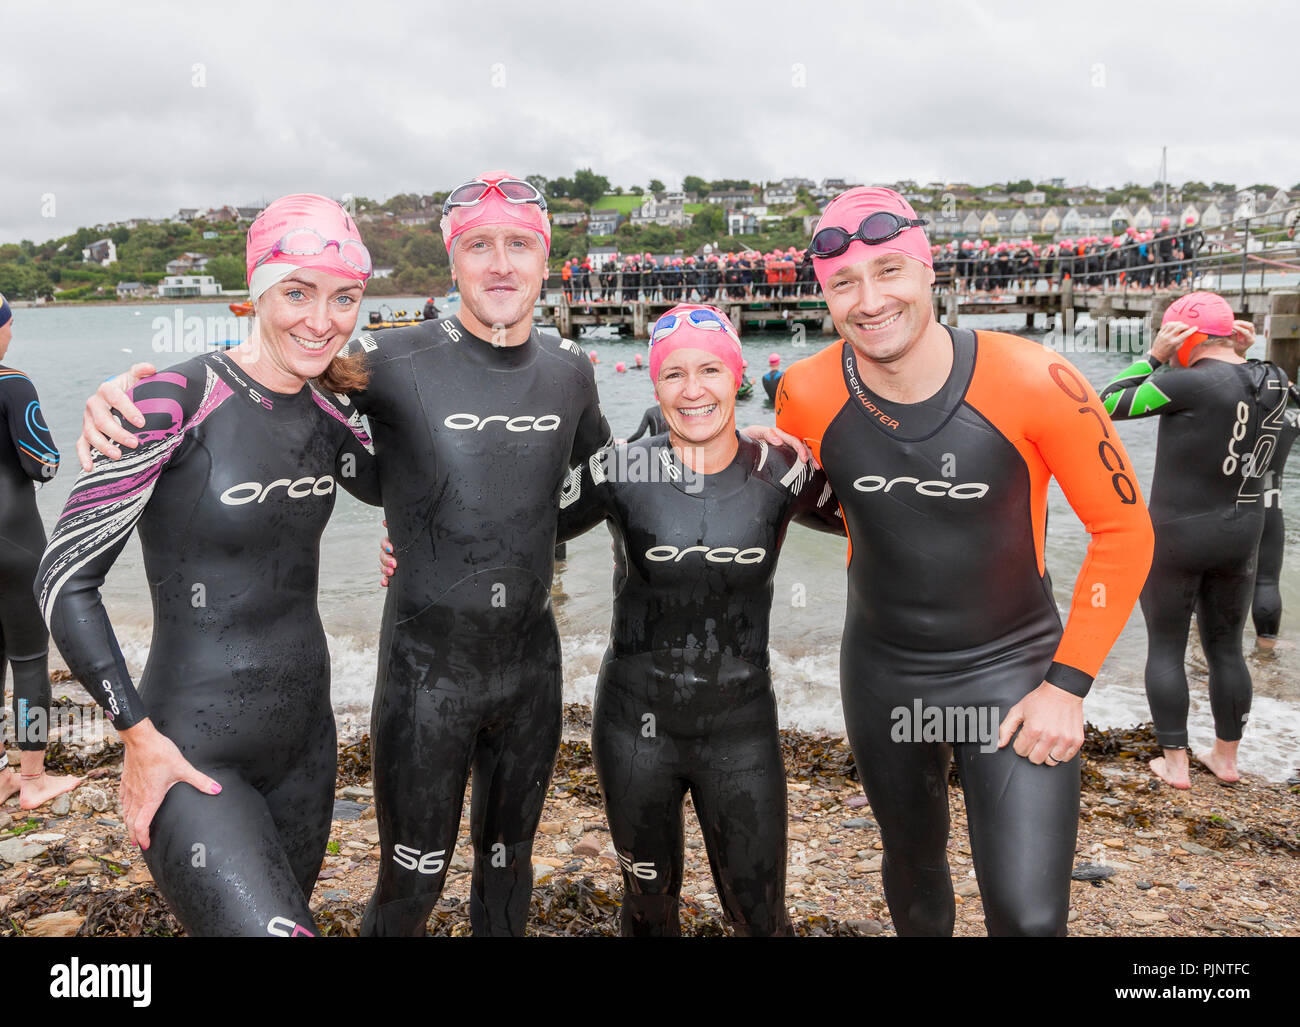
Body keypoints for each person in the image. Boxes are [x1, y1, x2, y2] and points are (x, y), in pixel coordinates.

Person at [383, 305, 842, 935]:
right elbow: (520, 521)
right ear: (654, 386)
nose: (693, 390)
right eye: (673, 374)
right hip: (635, 729)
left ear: (738, 376)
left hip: (743, 732)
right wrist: (413, 538)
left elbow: (883, 525)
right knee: (649, 908)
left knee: (761, 915)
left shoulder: (779, 471)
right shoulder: (622, 468)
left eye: (710, 369)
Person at [776, 187, 1154, 936]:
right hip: (882, 671)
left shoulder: (1038, 379)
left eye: (889, 272)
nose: (870, 299)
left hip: (1013, 670)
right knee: (915, 885)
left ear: (929, 270)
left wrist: (1067, 686)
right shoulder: (804, 391)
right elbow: (828, 503)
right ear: (824, 295)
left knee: (1029, 916)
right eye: (844, 283)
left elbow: (1124, 531)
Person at [42, 195, 382, 936]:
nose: (321, 320)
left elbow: (430, 489)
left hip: (307, 750)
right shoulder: (171, 399)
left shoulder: (335, 414)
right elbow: (65, 578)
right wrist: (135, 735)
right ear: (256, 290)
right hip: (190, 755)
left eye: (344, 297)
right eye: (297, 292)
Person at [1101, 294, 1291, 786]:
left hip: (1177, 535)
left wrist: (1153, 357)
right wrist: (1243, 355)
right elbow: (1257, 395)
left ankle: (1177, 762)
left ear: (1183, 338)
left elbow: (1105, 404)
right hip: (1243, 533)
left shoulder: (1183, 381)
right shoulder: (1276, 382)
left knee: (1165, 645)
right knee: (1226, 647)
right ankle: (1225, 760)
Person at [0, 293, 81, 809]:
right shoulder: (13, 382)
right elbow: (43, 461)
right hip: (15, 540)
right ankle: (31, 780)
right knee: (29, 660)